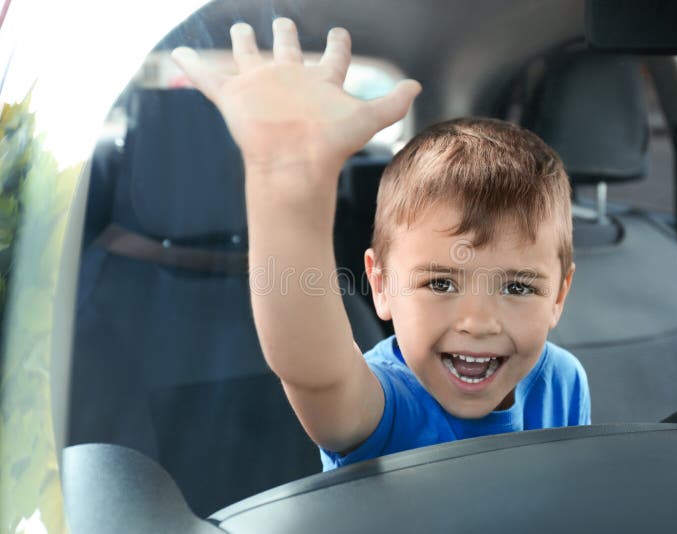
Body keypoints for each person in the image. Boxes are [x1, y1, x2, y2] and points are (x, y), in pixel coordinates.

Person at [172, 17, 590, 471]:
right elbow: (314, 372)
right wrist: (285, 181)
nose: (479, 322)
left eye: (518, 288)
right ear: (382, 285)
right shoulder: (386, 407)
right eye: (441, 284)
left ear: (559, 295)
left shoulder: (563, 382)